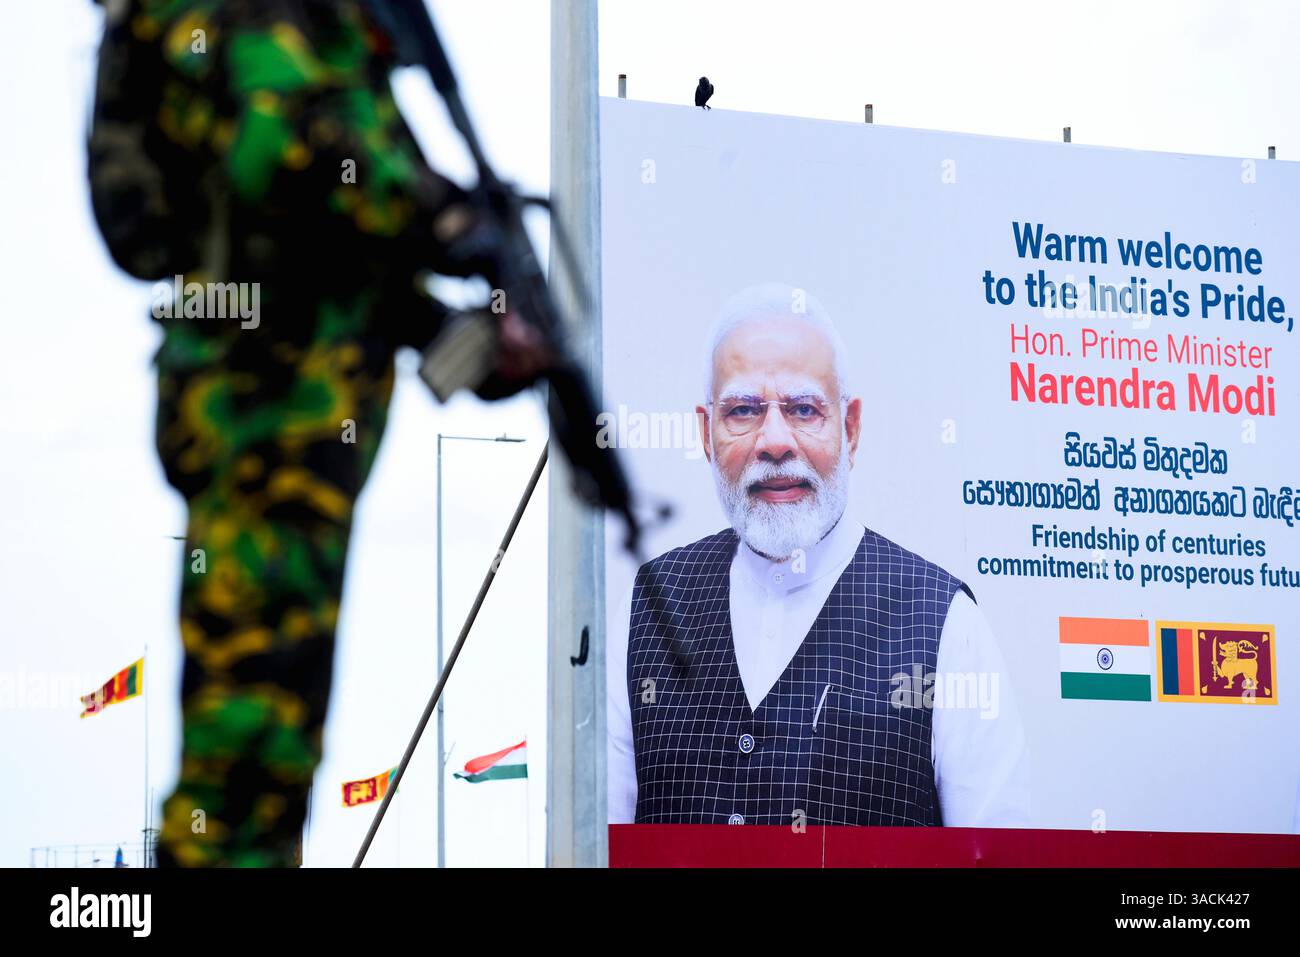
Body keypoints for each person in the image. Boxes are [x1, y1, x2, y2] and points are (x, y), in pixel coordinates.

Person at [89, 0, 543, 865]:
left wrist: (468, 340)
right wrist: (445, 220)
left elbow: (343, 232)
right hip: (262, 413)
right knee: (245, 743)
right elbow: (288, 152)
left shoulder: (330, 36)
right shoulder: (272, 22)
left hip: (301, 422)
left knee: (278, 747)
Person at [607, 283, 1030, 827]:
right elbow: (597, 844)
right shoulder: (647, 608)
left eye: (804, 409)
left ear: (850, 429)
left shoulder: (945, 624)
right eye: (743, 410)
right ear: (706, 434)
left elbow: (994, 854)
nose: (775, 441)